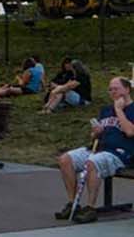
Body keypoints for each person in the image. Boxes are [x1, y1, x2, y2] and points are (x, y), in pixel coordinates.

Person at [56, 76, 134, 224]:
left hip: (119, 153)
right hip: (98, 148)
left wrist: (119, 110)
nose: (112, 92)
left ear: (127, 89)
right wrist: (96, 132)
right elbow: (95, 135)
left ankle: (91, 208)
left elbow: (130, 132)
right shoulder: (105, 110)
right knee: (65, 159)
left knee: (93, 162)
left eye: (116, 89)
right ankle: (73, 203)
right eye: (110, 89)